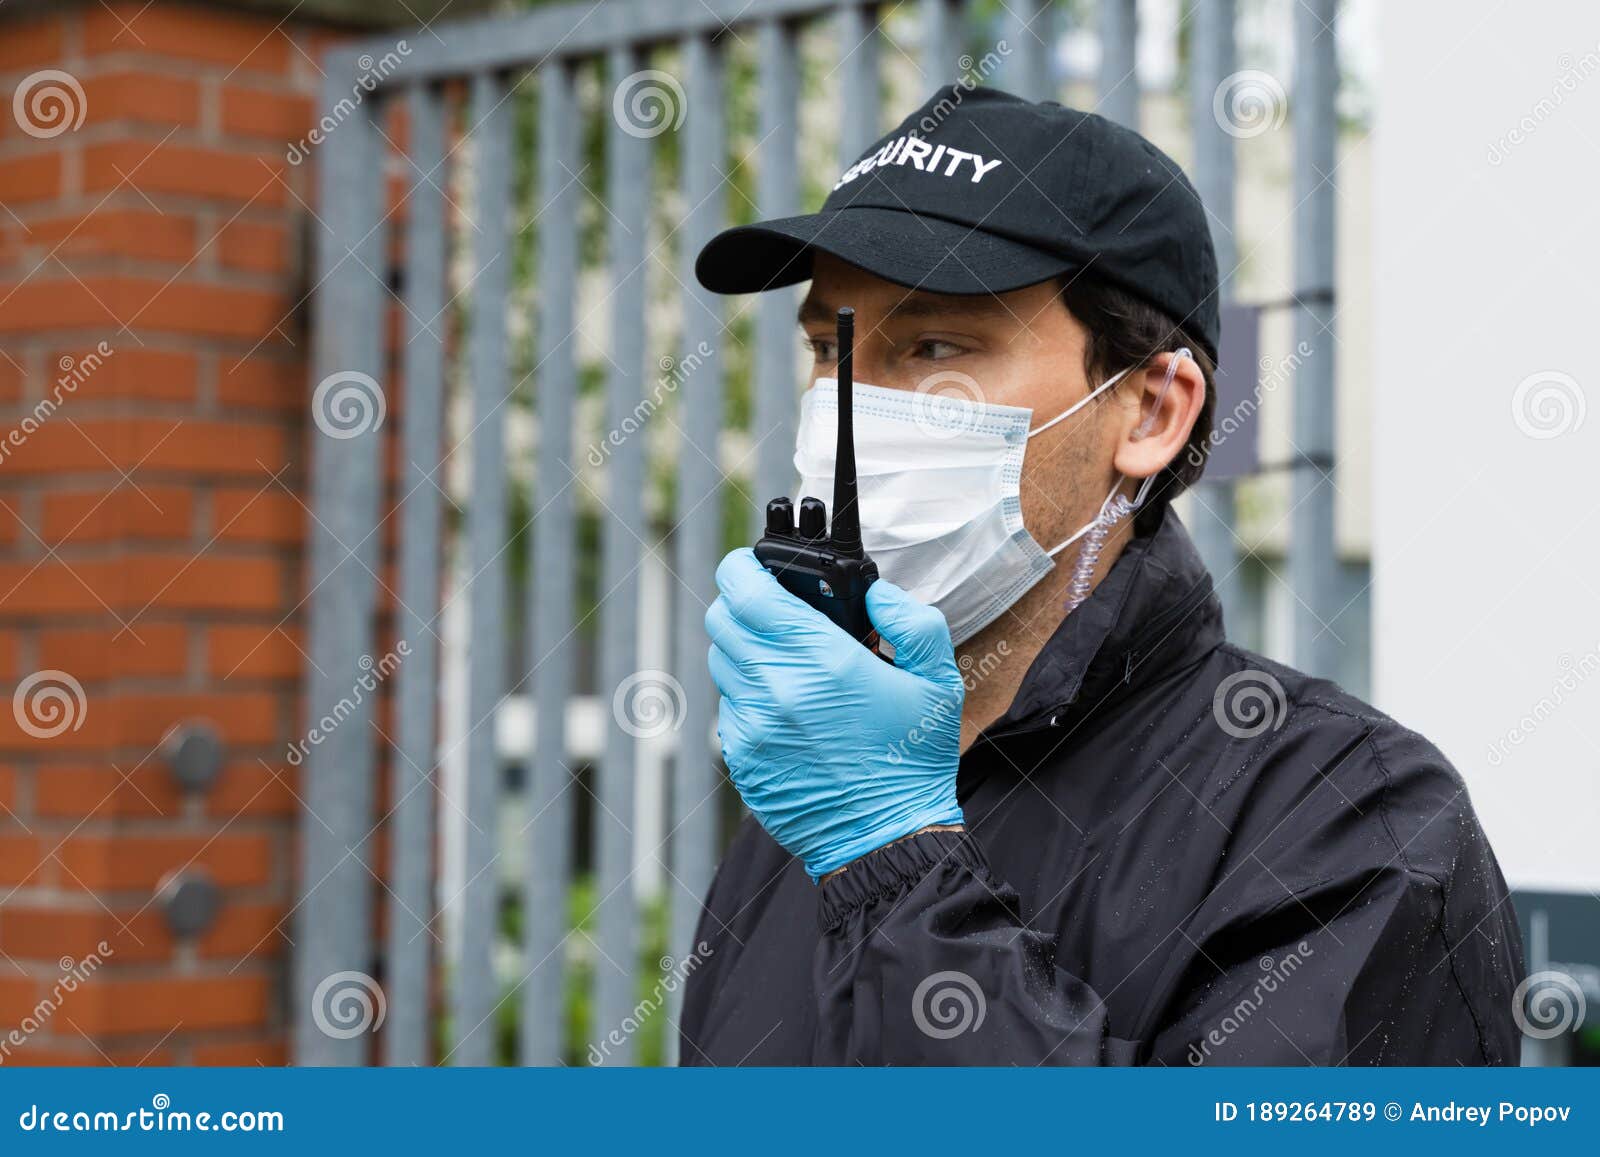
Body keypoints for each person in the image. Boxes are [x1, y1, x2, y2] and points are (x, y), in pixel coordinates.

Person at [679, 86, 1524, 1065]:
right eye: (830, 346)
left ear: (1152, 411)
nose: (846, 407)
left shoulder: (1350, 825)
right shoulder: (807, 802)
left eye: (935, 346)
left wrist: (894, 863)